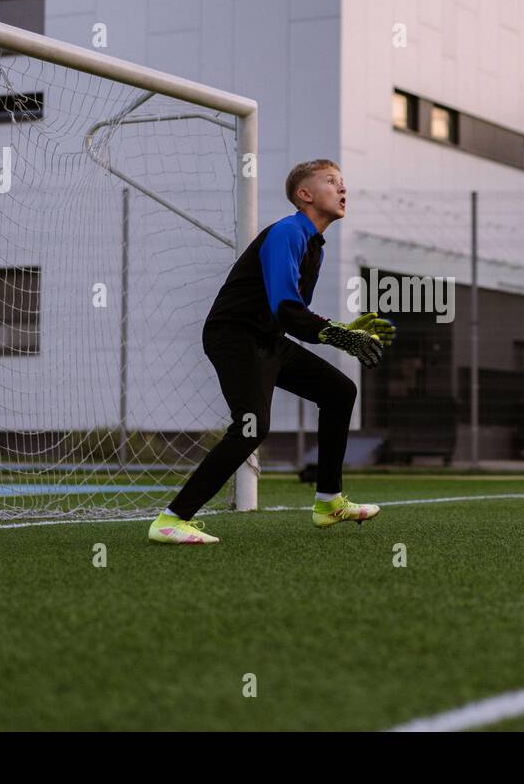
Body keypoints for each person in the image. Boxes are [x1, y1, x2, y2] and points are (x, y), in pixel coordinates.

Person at [148, 159, 395, 545]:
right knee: (252, 426)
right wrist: (339, 336)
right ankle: (171, 519)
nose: (343, 189)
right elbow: (288, 310)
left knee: (339, 391)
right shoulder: (287, 232)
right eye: (332, 182)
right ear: (305, 194)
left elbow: (292, 314)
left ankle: (328, 501)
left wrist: (340, 330)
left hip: (267, 338)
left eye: (343, 183)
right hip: (235, 336)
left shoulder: (315, 246)